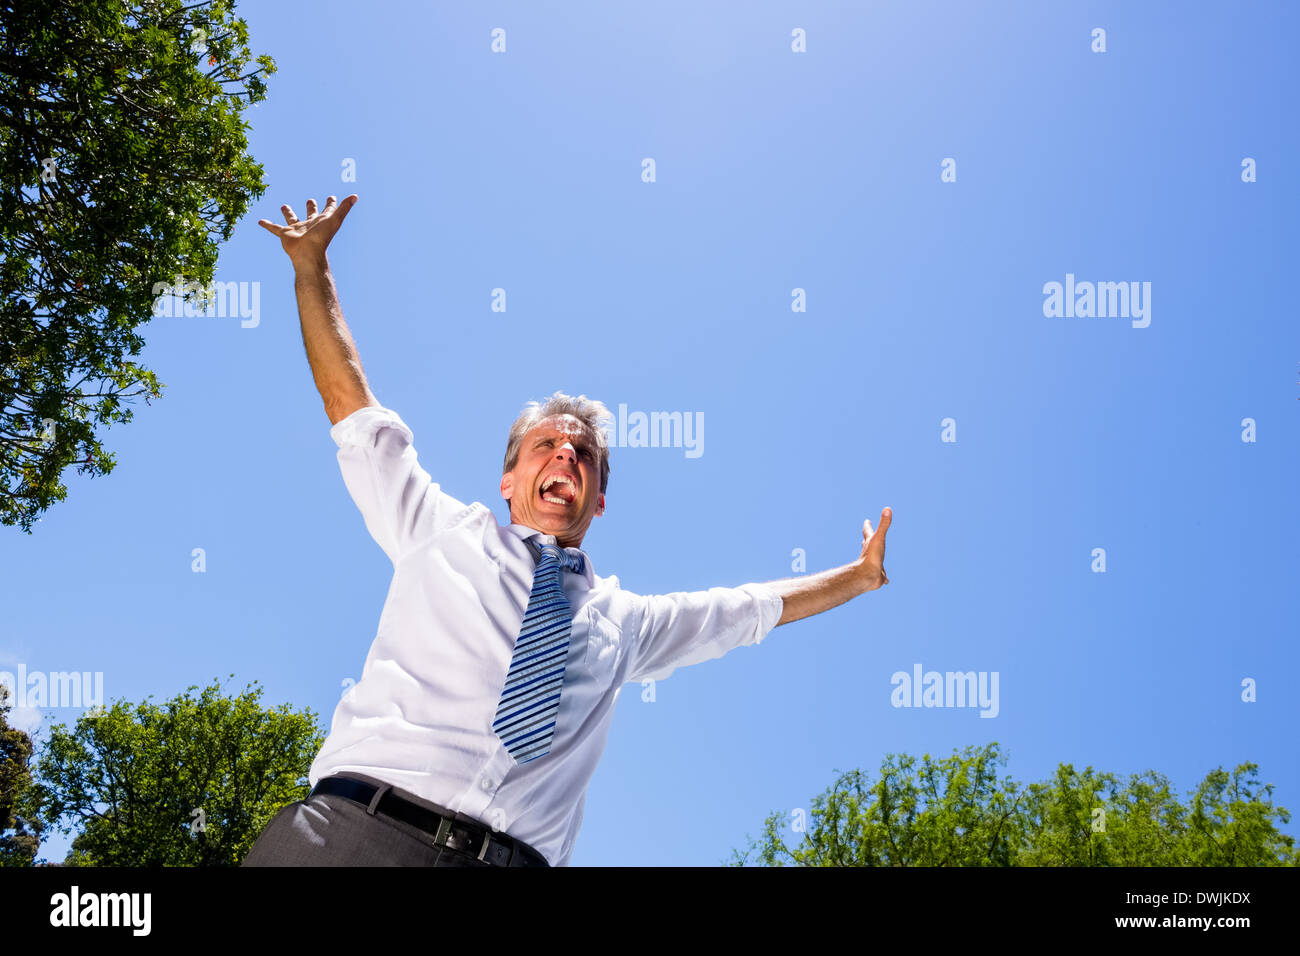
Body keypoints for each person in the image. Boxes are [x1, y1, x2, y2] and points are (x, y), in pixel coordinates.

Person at [241, 194, 892, 867]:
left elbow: (747, 611)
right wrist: (310, 267)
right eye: (546, 445)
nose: (565, 455)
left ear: (599, 500)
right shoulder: (438, 532)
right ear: (508, 479)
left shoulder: (627, 621)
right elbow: (354, 407)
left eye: (582, 454)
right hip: (358, 835)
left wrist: (858, 577)